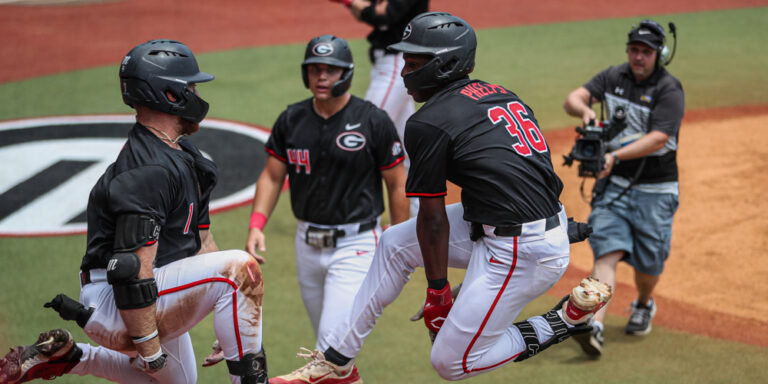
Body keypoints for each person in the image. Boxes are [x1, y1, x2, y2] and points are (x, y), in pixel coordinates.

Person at [269, 12, 611, 384]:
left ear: (445, 65)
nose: (404, 73)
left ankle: (564, 320)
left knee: (450, 363)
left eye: (414, 64)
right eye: (404, 61)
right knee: (394, 243)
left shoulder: (428, 122)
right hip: (517, 223)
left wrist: (438, 290)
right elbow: (528, 169)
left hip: (521, 250)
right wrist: (556, 224)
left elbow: (432, 220)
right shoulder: (500, 94)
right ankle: (337, 361)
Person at [0, 39, 268, 383]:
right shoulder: (147, 170)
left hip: (146, 292)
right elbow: (131, 269)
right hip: (118, 301)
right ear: (170, 94)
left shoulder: (183, 156)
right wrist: (149, 347)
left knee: (182, 381)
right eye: (191, 87)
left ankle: (68, 357)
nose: (197, 95)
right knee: (241, 270)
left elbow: (202, 242)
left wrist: (229, 321)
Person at [241, 34, 408, 381]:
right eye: (315, 69)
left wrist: (398, 234)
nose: (321, 76)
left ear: (346, 73)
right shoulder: (292, 119)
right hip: (306, 245)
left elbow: (397, 182)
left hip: (356, 246)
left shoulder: (372, 120)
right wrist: (256, 224)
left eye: (330, 70)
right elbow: (272, 176)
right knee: (333, 358)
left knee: (329, 353)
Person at [563, 19, 684, 356]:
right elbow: (573, 99)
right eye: (634, 50)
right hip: (613, 185)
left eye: (646, 51)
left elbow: (659, 138)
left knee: (649, 266)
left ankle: (644, 302)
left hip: (655, 190)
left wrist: (613, 156)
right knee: (606, 252)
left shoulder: (669, 89)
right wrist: (584, 110)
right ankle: (594, 325)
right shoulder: (613, 77)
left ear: (660, 54)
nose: (638, 57)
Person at [331, 0, 429, 216]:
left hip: (398, 64)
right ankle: (418, 220)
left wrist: (349, 2)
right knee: (404, 149)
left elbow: (383, 15)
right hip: (388, 64)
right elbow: (368, 14)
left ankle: (347, 214)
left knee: (361, 134)